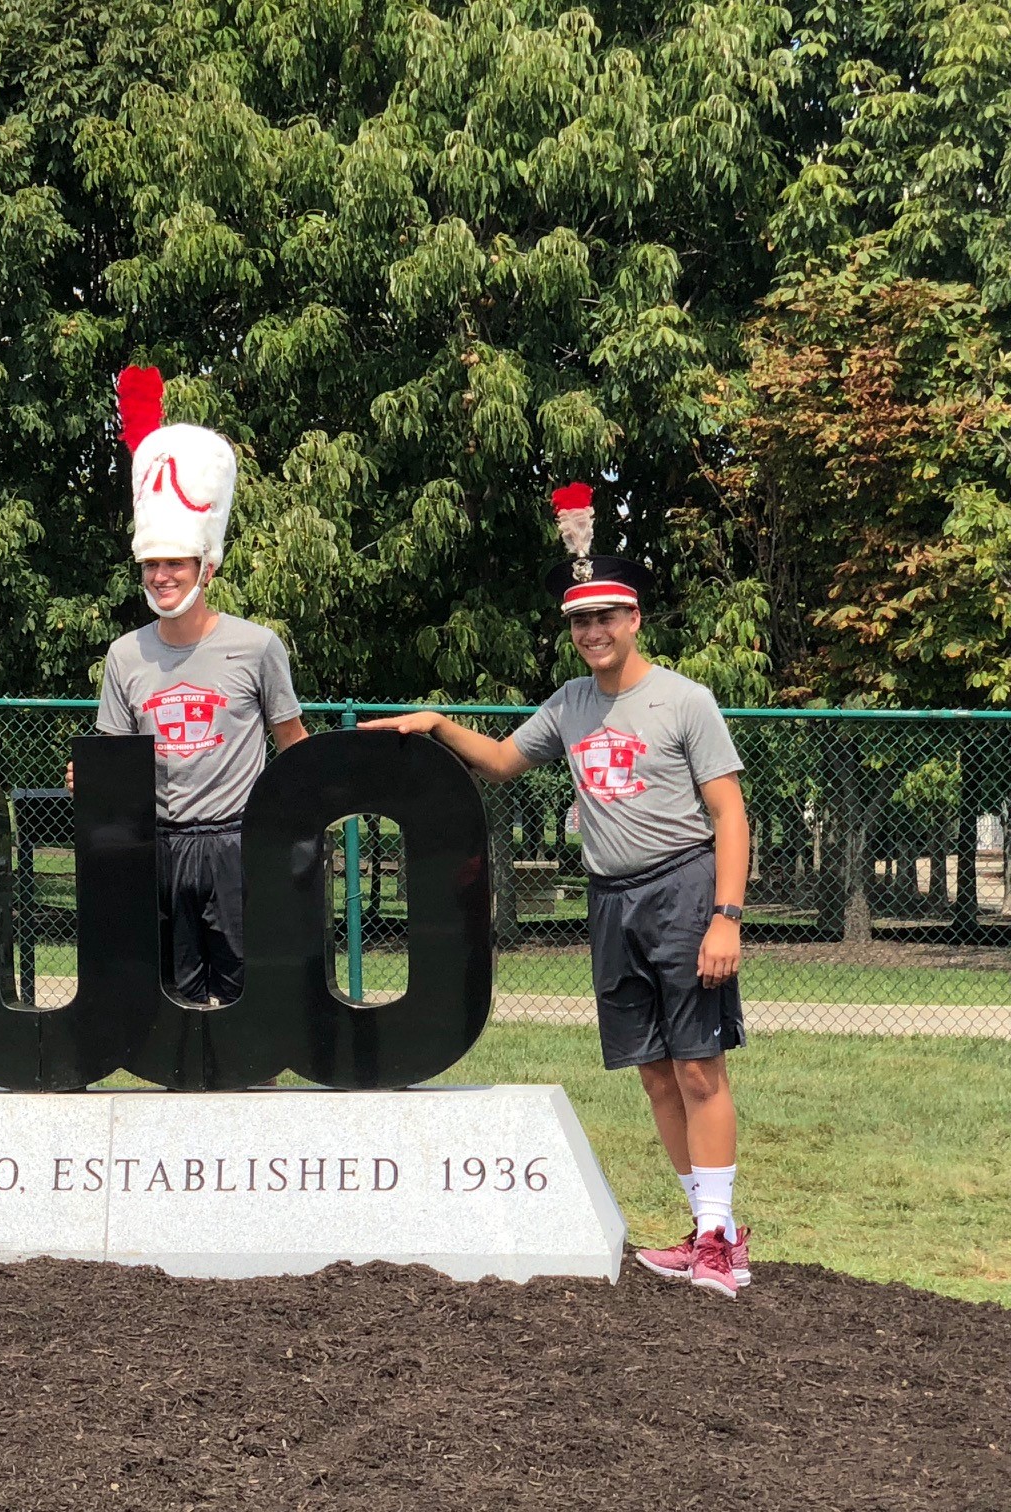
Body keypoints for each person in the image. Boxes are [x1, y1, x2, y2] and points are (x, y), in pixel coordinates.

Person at [363, 482, 753, 1298]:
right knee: (652, 1071)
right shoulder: (571, 704)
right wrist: (436, 723)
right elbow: (505, 760)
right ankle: (700, 1231)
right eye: (580, 621)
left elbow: (729, 814)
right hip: (611, 901)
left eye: (606, 616)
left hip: (683, 891)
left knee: (699, 1068)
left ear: (635, 618)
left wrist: (725, 917)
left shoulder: (684, 699)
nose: (592, 632)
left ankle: (724, 1238)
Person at [84, 366, 308, 1005]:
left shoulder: (257, 646)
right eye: (151, 564)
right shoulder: (125, 655)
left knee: (245, 991)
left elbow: (294, 745)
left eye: (174, 563)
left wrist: (305, 827)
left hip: (238, 841)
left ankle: (248, 1099)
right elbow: (114, 762)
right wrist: (91, 780)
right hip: (158, 845)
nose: (161, 577)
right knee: (172, 997)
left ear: (206, 565)